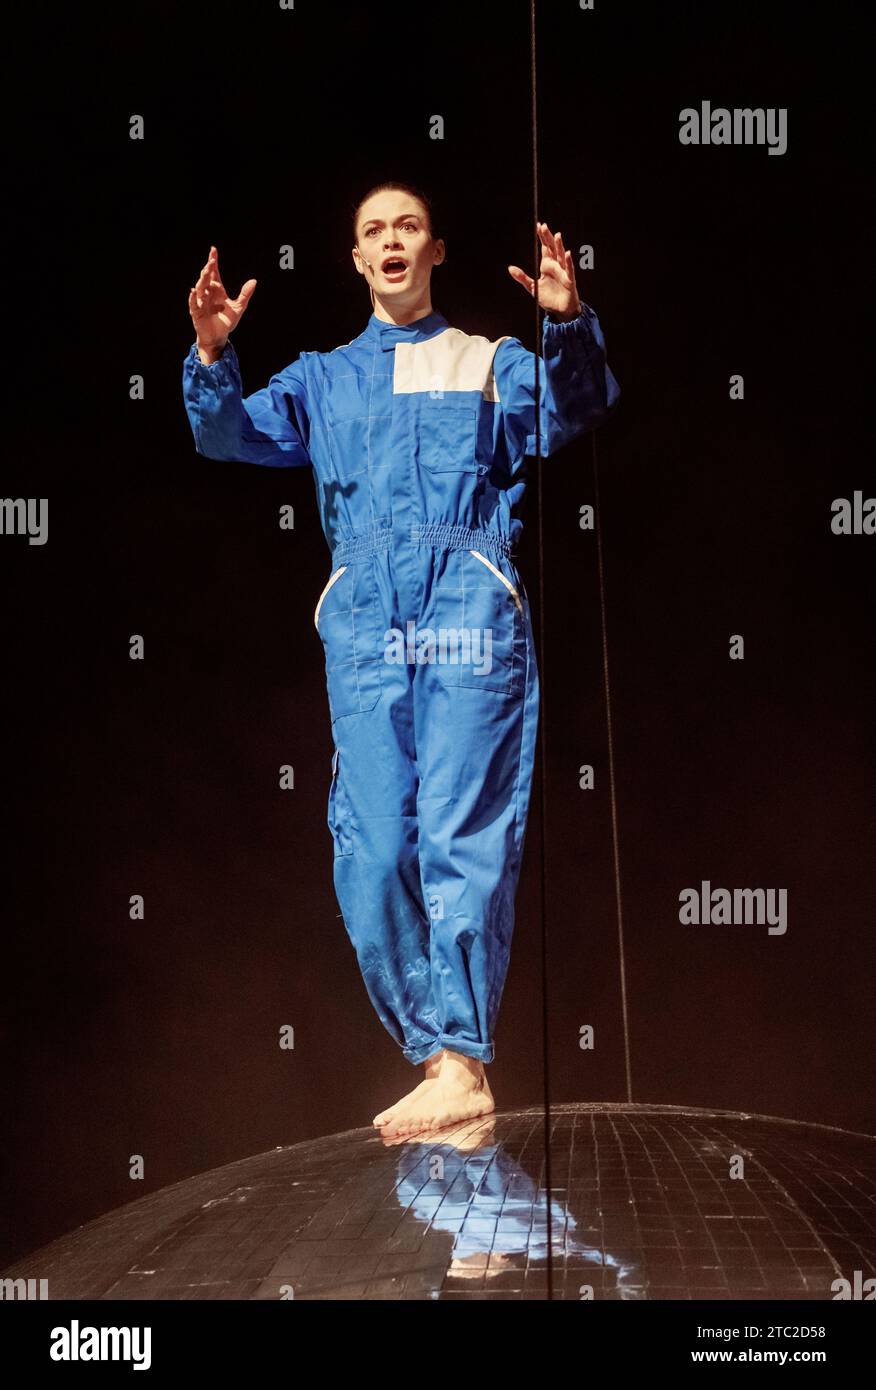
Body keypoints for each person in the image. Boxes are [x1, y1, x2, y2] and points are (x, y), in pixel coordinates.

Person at [182, 181, 620, 1140]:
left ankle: (462, 1056)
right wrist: (213, 353)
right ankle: (437, 1054)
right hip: (368, 620)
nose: (391, 241)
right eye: (373, 230)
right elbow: (226, 435)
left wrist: (569, 322)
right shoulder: (322, 379)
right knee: (374, 846)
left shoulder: (487, 360)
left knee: (460, 829)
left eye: (407, 228)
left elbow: (574, 409)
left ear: (435, 250)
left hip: (466, 601)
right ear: (355, 259)